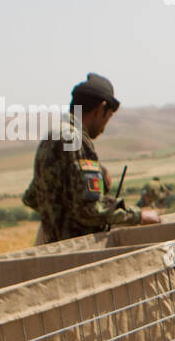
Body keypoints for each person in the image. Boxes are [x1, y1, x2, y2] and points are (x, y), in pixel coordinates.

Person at [22, 73, 161, 244]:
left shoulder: (52, 137)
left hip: (51, 249)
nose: (104, 128)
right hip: (76, 252)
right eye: (108, 117)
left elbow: (33, 196)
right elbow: (89, 211)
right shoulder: (75, 139)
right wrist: (139, 215)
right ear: (100, 109)